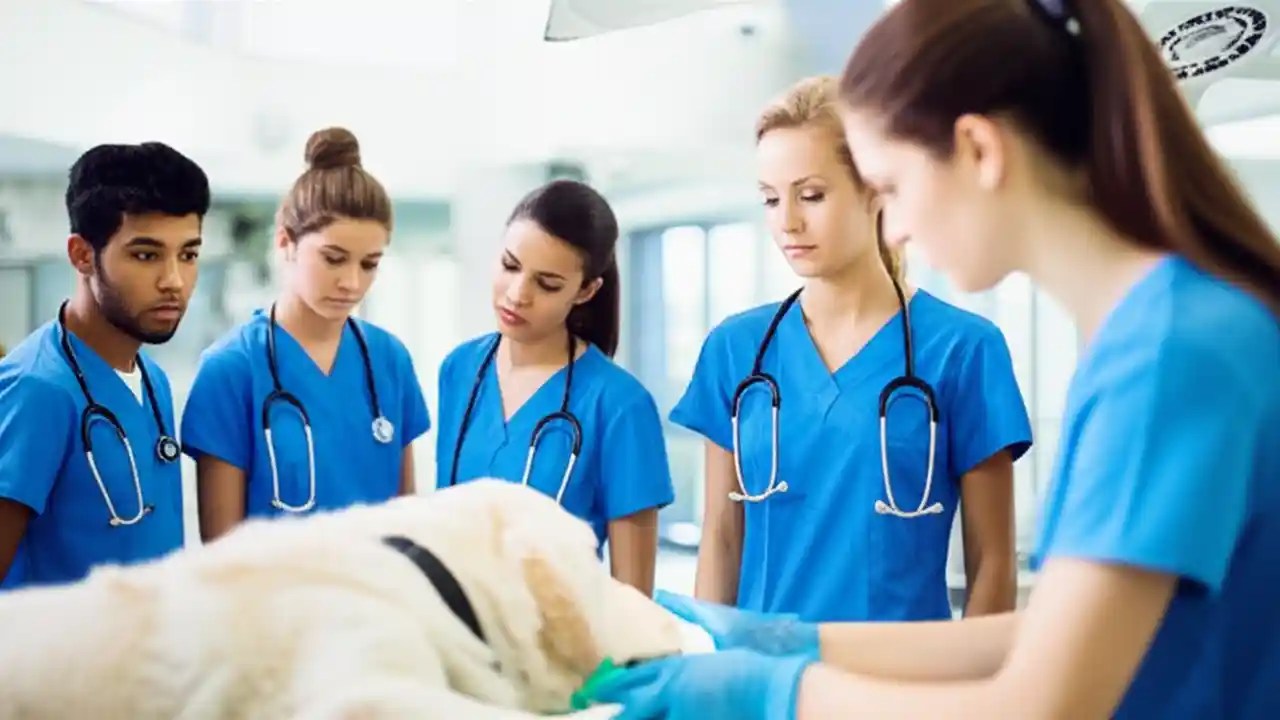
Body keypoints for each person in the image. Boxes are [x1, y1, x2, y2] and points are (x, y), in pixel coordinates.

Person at [590, 1, 1280, 719]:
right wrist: (785, 641)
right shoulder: (1165, 330)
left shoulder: (1170, 357)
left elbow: (1040, 703)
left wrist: (771, 689)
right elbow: (1041, 637)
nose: (900, 225)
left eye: (889, 187)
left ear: (980, 151)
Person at [670, 75, 1032, 625]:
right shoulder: (736, 351)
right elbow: (720, 543)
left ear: (874, 188)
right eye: (770, 199)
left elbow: (993, 567)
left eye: (811, 195)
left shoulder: (963, 350)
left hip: (904, 688)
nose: (787, 221)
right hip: (762, 687)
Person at [182, 127, 430, 542]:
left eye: (369, 264)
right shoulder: (232, 370)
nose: (351, 282)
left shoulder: (389, 360)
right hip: (274, 603)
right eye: (333, 259)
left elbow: (406, 521)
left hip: (380, 597)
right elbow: (221, 555)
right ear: (287, 243)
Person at [434, 179, 675, 596]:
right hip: (455, 642)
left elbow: (634, 600)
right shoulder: (460, 371)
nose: (517, 294)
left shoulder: (619, 404)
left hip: (561, 651)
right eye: (510, 265)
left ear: (586, 290)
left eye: (546, 284)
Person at [0, 142, 210, 590]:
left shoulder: (151, 380)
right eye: (146, 254)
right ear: (81, 255)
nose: (173, 280)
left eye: (188, 254)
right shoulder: (35, 389)